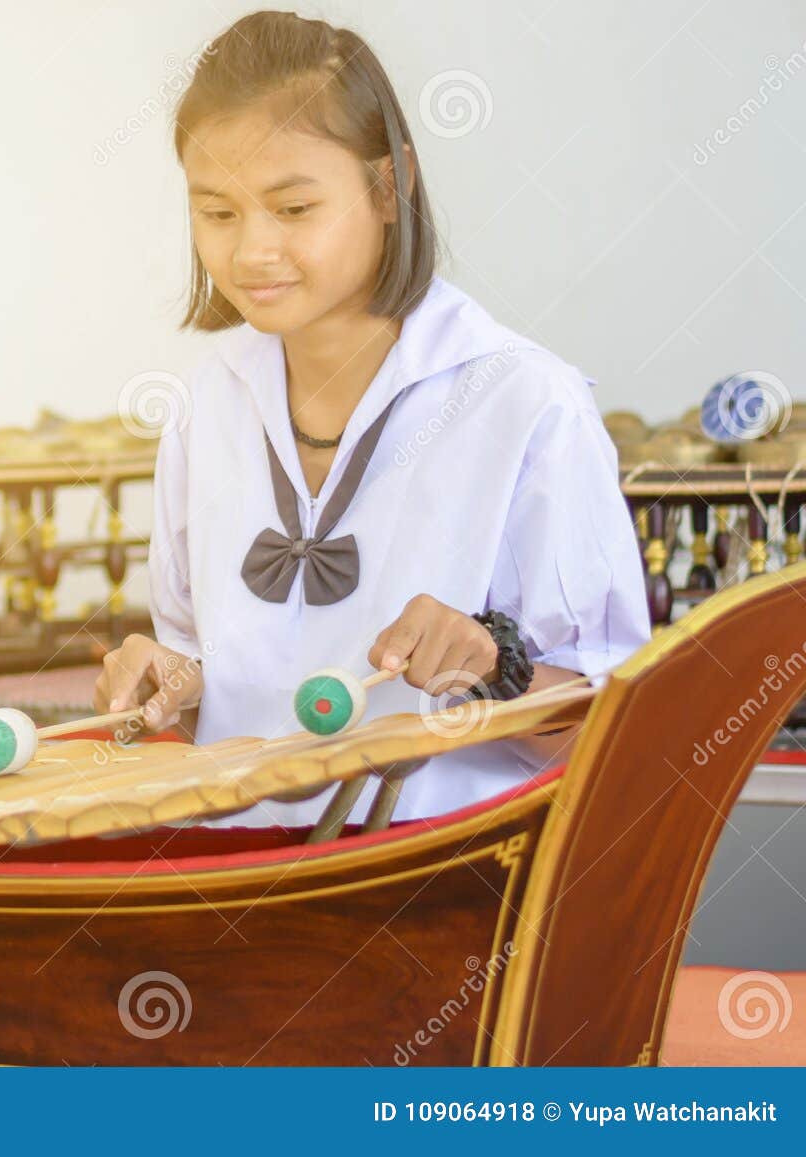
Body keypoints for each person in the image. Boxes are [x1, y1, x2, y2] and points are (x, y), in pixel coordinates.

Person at [93, 10, 650, 826]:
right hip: (232, 877)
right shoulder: (203, 403)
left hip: (441, 880)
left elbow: (608, 735)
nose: (251, 251)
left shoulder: (526, 403)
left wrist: (492, 662)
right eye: (218, 213)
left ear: (390, 188)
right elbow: (197, 658)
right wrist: (164, 677)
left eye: (292, 209)